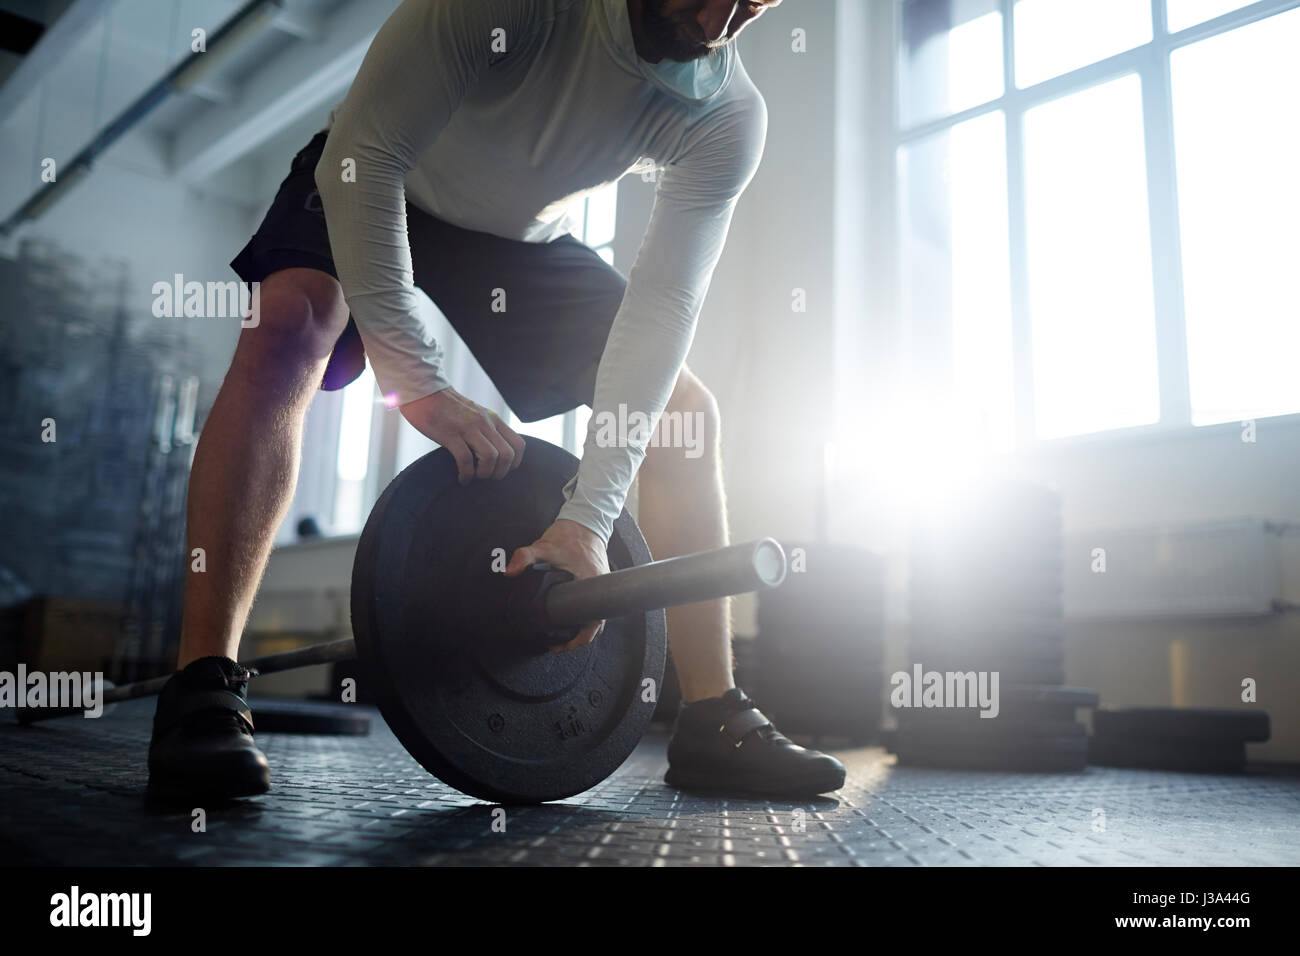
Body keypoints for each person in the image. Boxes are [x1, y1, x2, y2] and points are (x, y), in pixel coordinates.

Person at [148, 0, 845, 800]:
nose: (716, 17)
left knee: (685, 419)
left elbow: (661, 313)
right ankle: (203, 684)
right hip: (377, 168)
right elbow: (366, 156)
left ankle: (714, 718)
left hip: (518, 239)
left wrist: (587, 522)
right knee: (290, 323)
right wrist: (415, 378)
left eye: (751, 1)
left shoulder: (726, 115)